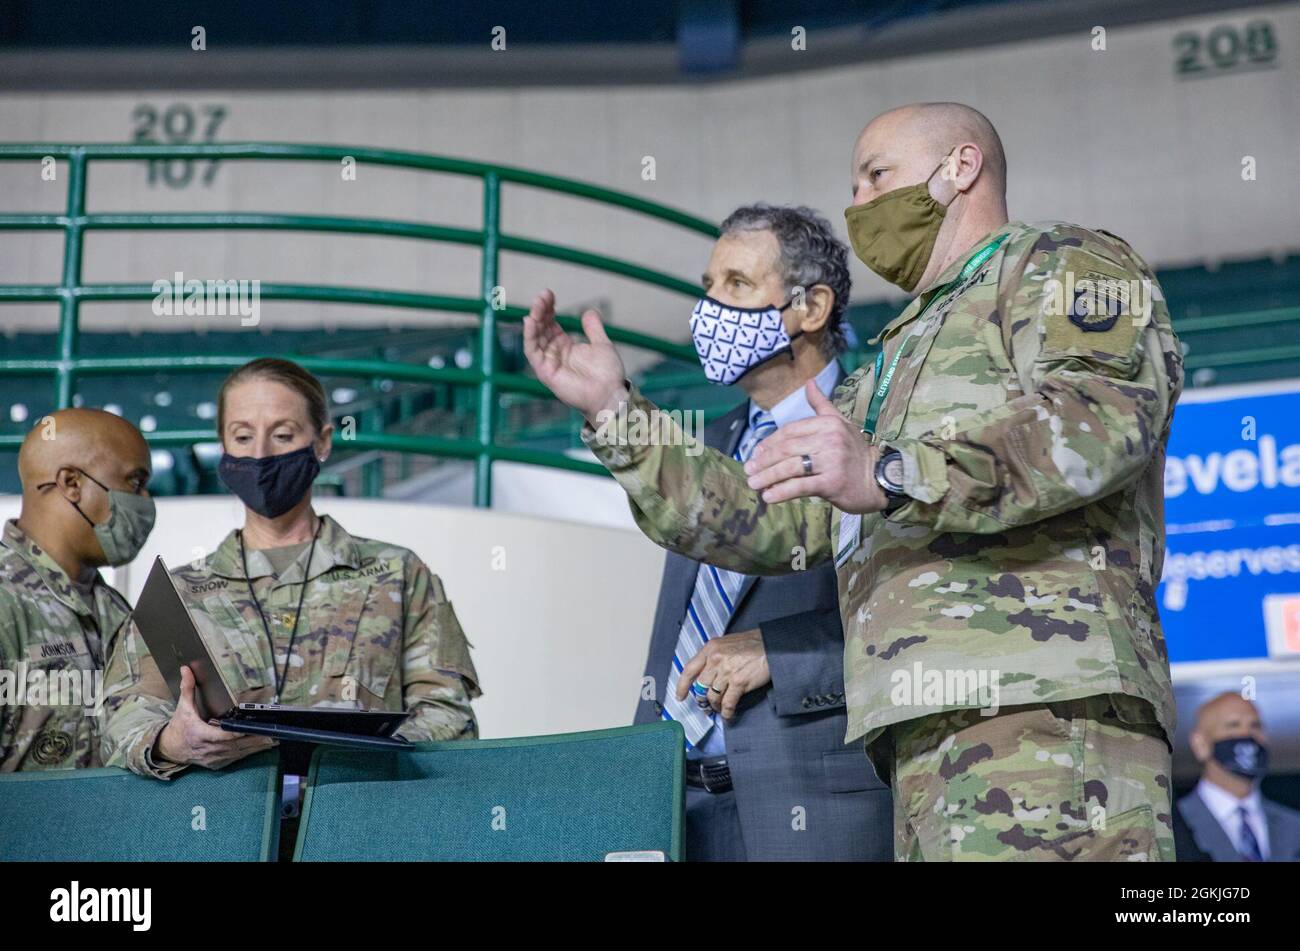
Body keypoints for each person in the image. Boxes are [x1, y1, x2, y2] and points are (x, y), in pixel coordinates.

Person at [524, 101, 1183, 861]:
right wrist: (617, 412)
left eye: (877, 177)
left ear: (960, 167)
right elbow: (772, 519)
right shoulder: (888, 367)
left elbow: (1099, 422)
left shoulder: (1063, 262)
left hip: (1046, 712)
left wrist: (891, 469)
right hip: (916, 746)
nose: (859, 206)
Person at [637, 203, 891, 861]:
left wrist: (779, 652)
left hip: (811, 802)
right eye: (708, 286)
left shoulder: (877, 436)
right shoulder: (710, 443)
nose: (709, 308)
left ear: (810, 308)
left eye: (737, 285)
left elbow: (924, 621)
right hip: (671, 804)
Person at [102, 357, 480, 779]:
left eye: (283, 435)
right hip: (225, 832)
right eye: (242, 436)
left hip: (358, 827)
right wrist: (174, 741)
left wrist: (359, 755)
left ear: (321, 443)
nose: (260, 454)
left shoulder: (399, 574)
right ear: (223, 447)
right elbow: (123, 720)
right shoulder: (178, 593)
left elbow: (451, 716)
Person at [1, 409, 154, 771]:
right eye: (135, 482)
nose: (146, 500)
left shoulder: (113, 609)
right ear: (71, 483)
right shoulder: (8, 605)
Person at [1174, 692, 1300, 862]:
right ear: (1200, 744)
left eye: (1255, 726)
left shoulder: (1294, 826)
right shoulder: (1171, 826)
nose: (1246, 734)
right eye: (1233, 725)